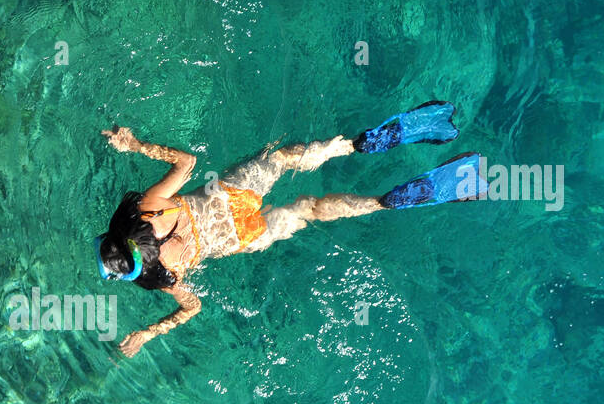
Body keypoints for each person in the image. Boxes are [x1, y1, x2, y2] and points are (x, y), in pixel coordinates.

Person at [95, 102, 487, 357]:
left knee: (309, 209)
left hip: (240, 238)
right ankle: (357, 145)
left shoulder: (162, 276)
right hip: (229, 195)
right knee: (283, 158)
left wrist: (149, 333)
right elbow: (187, 163)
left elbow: (193, 307)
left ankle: (386, 202)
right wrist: (136, 145)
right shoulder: (147, 210)